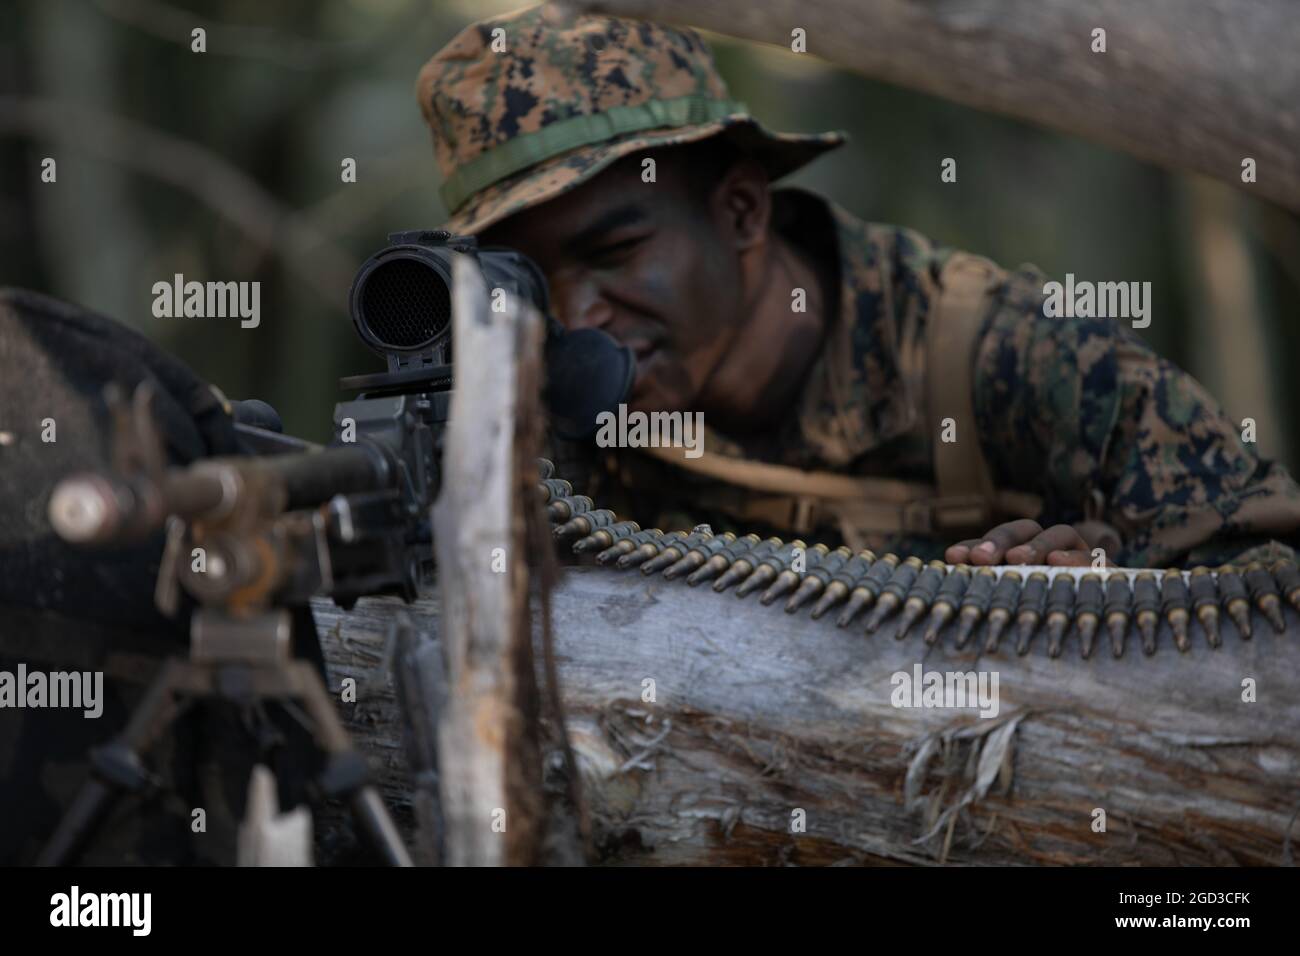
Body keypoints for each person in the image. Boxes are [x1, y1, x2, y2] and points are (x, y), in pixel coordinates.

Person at [415, 2, 1300, 568]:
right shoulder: (543, 419)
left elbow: (1270, 585)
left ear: (739, 213)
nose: (573, 316)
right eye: (529, 279)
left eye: (611, 252)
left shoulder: (1008, 356)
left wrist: (1111, 574)